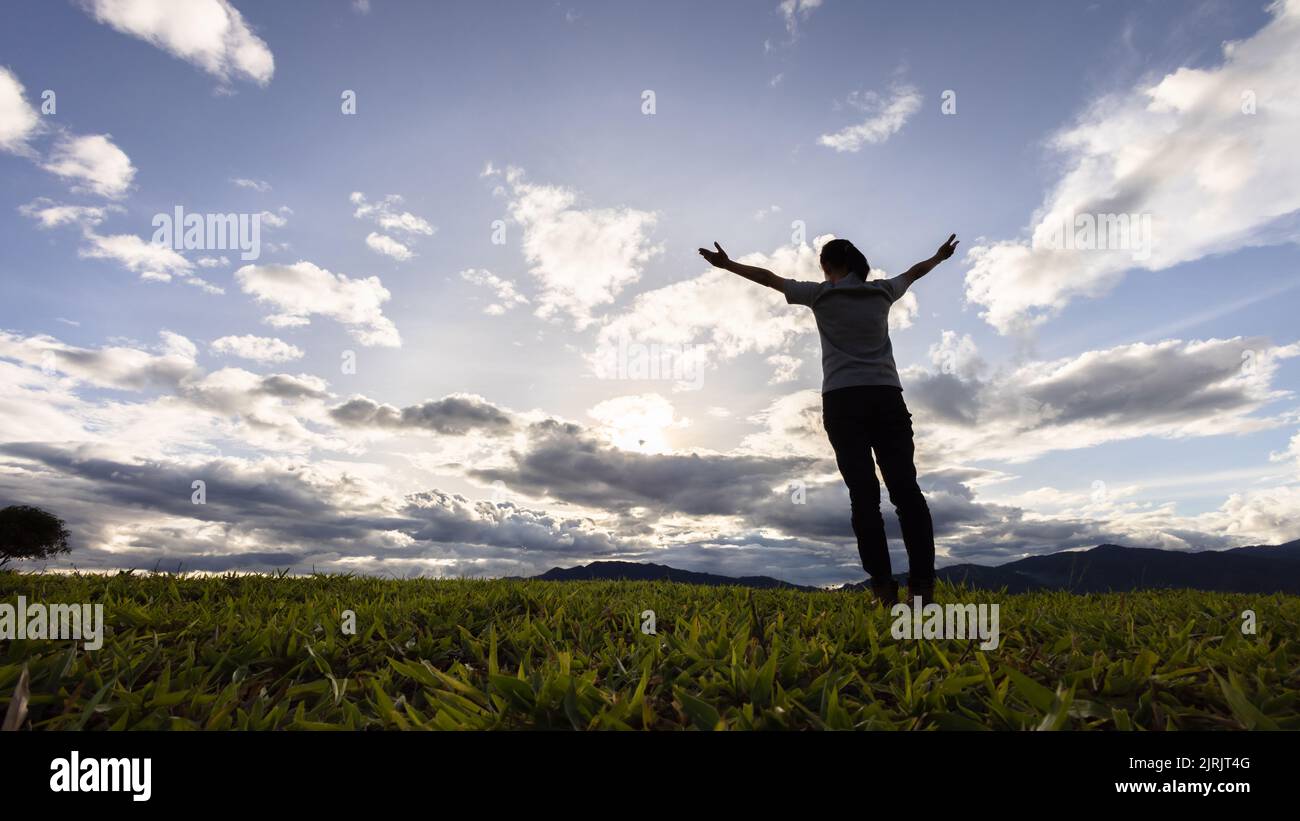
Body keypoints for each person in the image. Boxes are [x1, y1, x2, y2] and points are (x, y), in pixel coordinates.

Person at [698, 234, 959, 605]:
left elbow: (769, 278)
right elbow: (915, 273)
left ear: (828, 266)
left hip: (842, 400)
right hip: (886, 396)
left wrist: (728, 265)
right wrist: (940, 256)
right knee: (907, 492)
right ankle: (922, 589)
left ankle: (884, 592)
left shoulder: (821, 295)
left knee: (864, 497)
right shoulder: (883, 291)